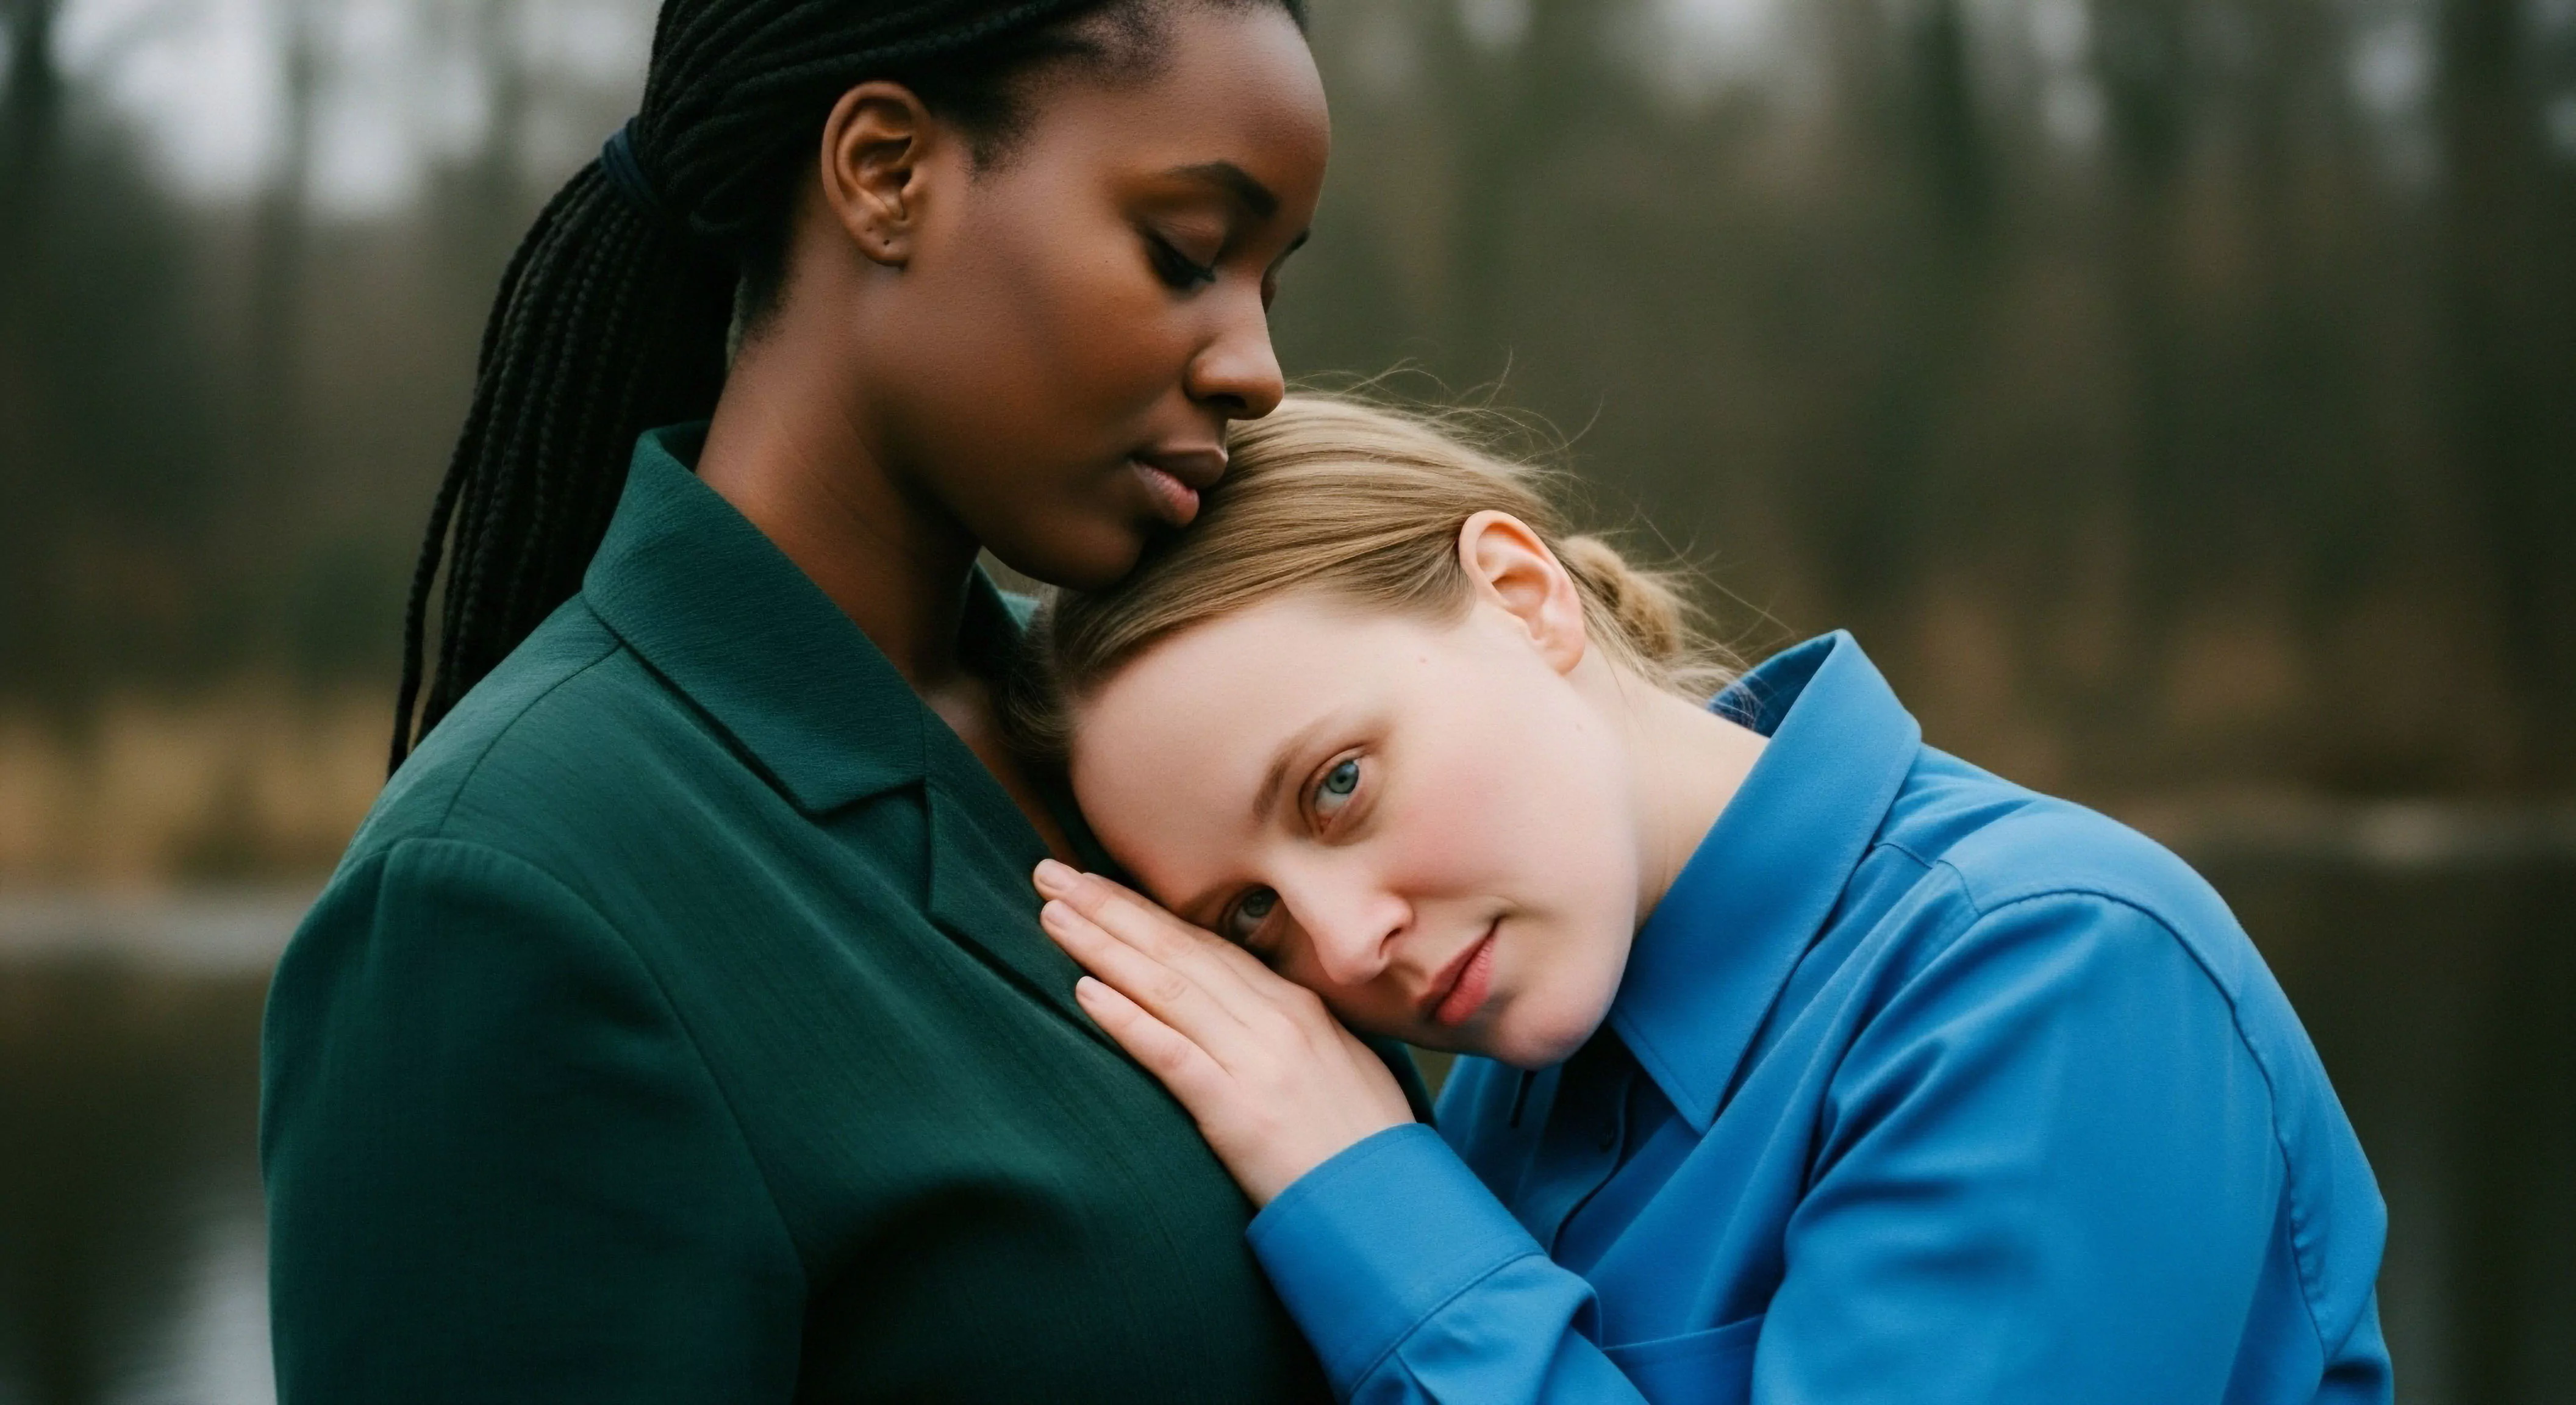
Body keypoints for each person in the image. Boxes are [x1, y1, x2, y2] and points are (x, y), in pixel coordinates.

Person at [259, 2, 1362, 1400]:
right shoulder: (506, 895)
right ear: (887, 173)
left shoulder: (1155, 734)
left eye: (1268, 286)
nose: (1255, 369)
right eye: (1188, 254)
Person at [1012, 395, 2395, 1404]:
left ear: (1519, 593)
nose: (1343, 940)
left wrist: (1367, 1204)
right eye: (1248, 918)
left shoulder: (2049, 973)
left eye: (1338, 787)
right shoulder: (1513, 1071)